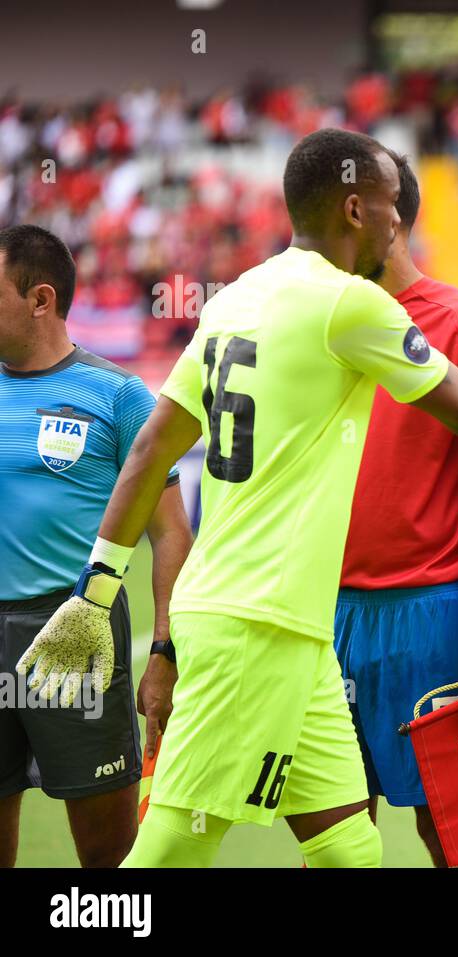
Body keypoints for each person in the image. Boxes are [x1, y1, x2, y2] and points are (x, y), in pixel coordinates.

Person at [16, 128, 458, 867]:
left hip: (294, 630)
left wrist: (97, 588)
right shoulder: (350, 305)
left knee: (349, 849)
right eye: (388, 207)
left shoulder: (240, 293)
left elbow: (151, 448)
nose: (398, 223)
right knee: (171, 848)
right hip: (254, 624)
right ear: (351, 209)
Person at [333, 153, 458, 864]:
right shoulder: (319, 325)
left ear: (387, 216)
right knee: (332, 836)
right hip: (325, 617)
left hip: (435, 616)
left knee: (457, 835)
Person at [0, 224, 191, 867]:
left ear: (40, 298)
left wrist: (164, 649)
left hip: (78, 629)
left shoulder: (119, 396)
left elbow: (171, 535)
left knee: (109, 863)